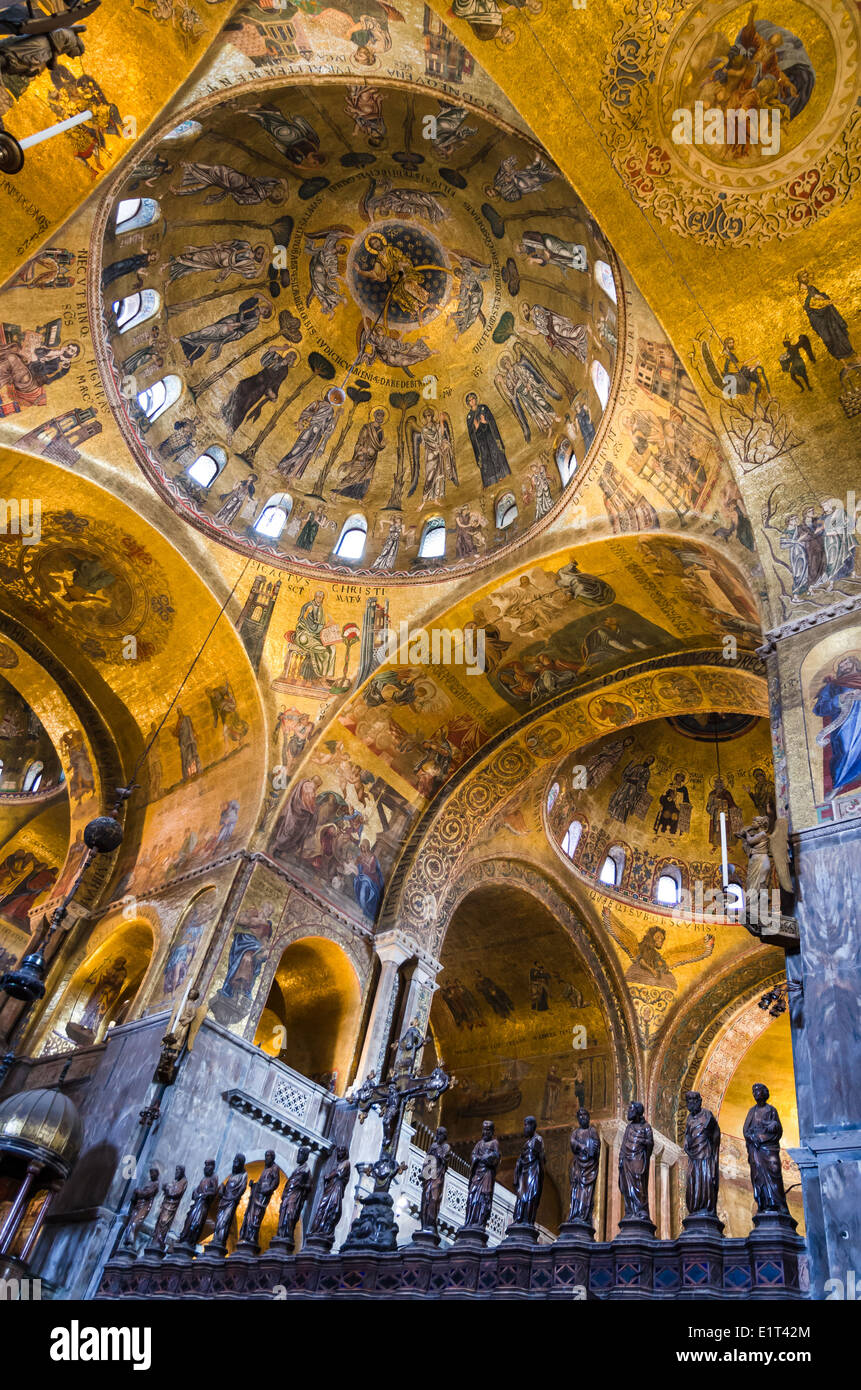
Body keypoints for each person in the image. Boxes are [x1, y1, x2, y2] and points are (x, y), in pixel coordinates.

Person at [743, 1083, 790, 1214]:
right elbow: (746, 1131)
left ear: (764, 1093)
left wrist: (771, 1128)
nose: (756, 1094)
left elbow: (778, 1131)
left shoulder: (771, 1110)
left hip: (769, 1150)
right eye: (754, 1092)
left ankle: (778, 1205)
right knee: (758, 1176)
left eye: (758, 1091)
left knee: (774, 1175)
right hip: (756, 1150)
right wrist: (753, 1138)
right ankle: (763, 1205)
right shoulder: (752, 1111)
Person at [463, 1120, 500, 1229]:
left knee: (484, 1197)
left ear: (492, 1131)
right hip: (477, 1174)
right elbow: (473, 1155)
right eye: (484, 1129)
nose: (485, 1132)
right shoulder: (479, 1143)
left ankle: (479, 1222)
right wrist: (478, 1158)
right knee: (472, 1196)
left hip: (486, 1175)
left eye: (488, 1130)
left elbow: (496, 1157)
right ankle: (470, 1220)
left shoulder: (494, 1143)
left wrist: (487, 1158)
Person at [512, 1116, 545, 1227]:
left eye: (526, 1125)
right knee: (521, 1196)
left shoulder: (537, 1140)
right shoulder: (527, 1142)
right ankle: (519, 1218)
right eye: (524, 1125)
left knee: (530, 1196)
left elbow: (541, 1158)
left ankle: (527, 1220)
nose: (524, 1128)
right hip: (524, 1173)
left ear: (532, 1126)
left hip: (533, 1172)